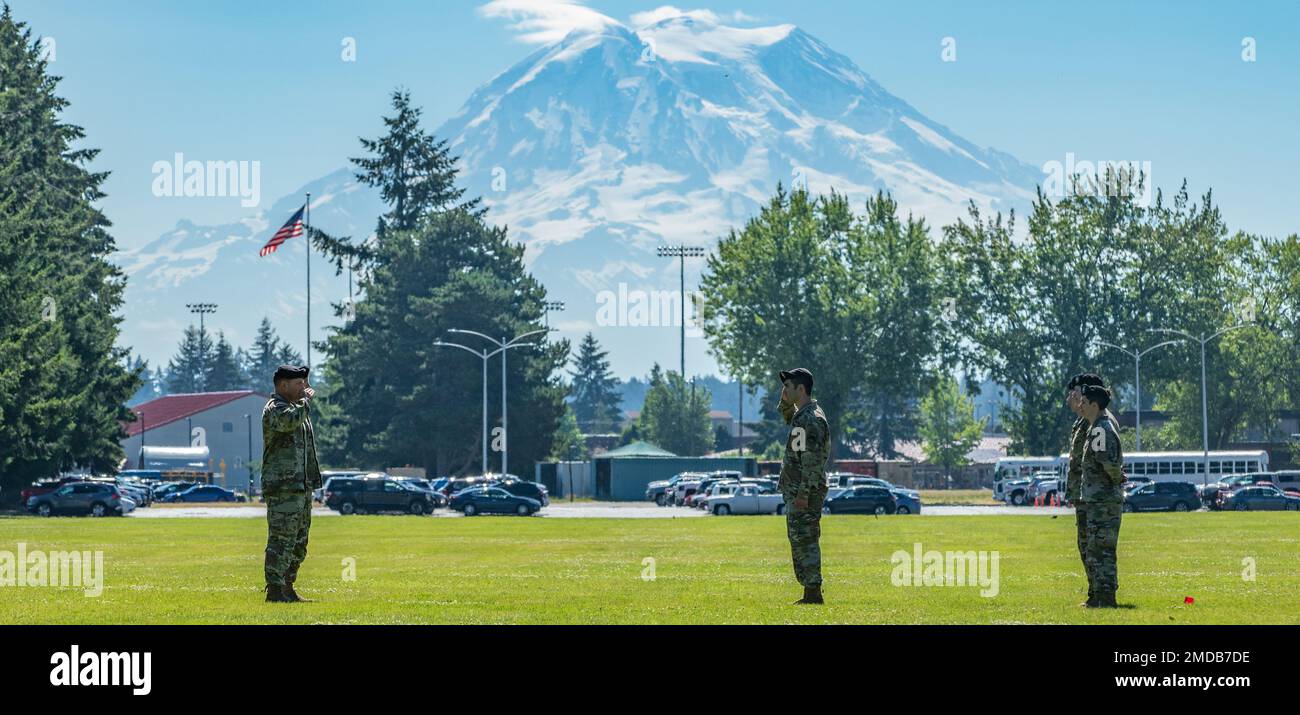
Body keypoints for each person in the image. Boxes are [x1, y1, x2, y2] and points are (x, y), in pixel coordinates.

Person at [261, 364, 322, 603]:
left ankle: (288, 586)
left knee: (299, 541)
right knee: (281, 540)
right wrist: (305, 402)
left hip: (300, 487)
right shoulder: (276, 409)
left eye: (305, 383)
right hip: (283, 488)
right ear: (283, 385)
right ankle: (275, 590)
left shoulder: (298, 409)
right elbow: (288, 422)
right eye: (298, 384)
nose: (303, 388)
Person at [776, 368, 830, 604]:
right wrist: (785, 403)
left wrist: (803, 494)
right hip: (797, 489)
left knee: (806, 540)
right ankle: (810, 591)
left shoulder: (811, 419)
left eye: (787, 386)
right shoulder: (802, 416)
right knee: (799, 539)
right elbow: (788, 418)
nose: (784, 390)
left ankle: (813, 592)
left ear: (801, 389)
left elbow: (812, 461)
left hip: (804, 491)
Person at [1078, 383, 1124, 608]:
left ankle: (1106, 598)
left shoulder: (1100, 429)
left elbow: (1108, 463)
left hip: (1104, 502)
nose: (1080, 405)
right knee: (1095, 550)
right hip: (1097, 501)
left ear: (1094, 405)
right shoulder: (1096, 427)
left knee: (1103, 550)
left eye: (1084, 402)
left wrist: (1118, 477)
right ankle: (1098, 596)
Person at [1064, 372, 1105, 605]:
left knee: (1095, 549)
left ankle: (1101, 595)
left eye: (1076, 393)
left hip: (1094, 496)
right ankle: (1094, 594)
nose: (1072, 397)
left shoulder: (1097, 423)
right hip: (1084, 494)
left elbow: (1102, 461)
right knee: (1085, 547)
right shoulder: (1082, 423)